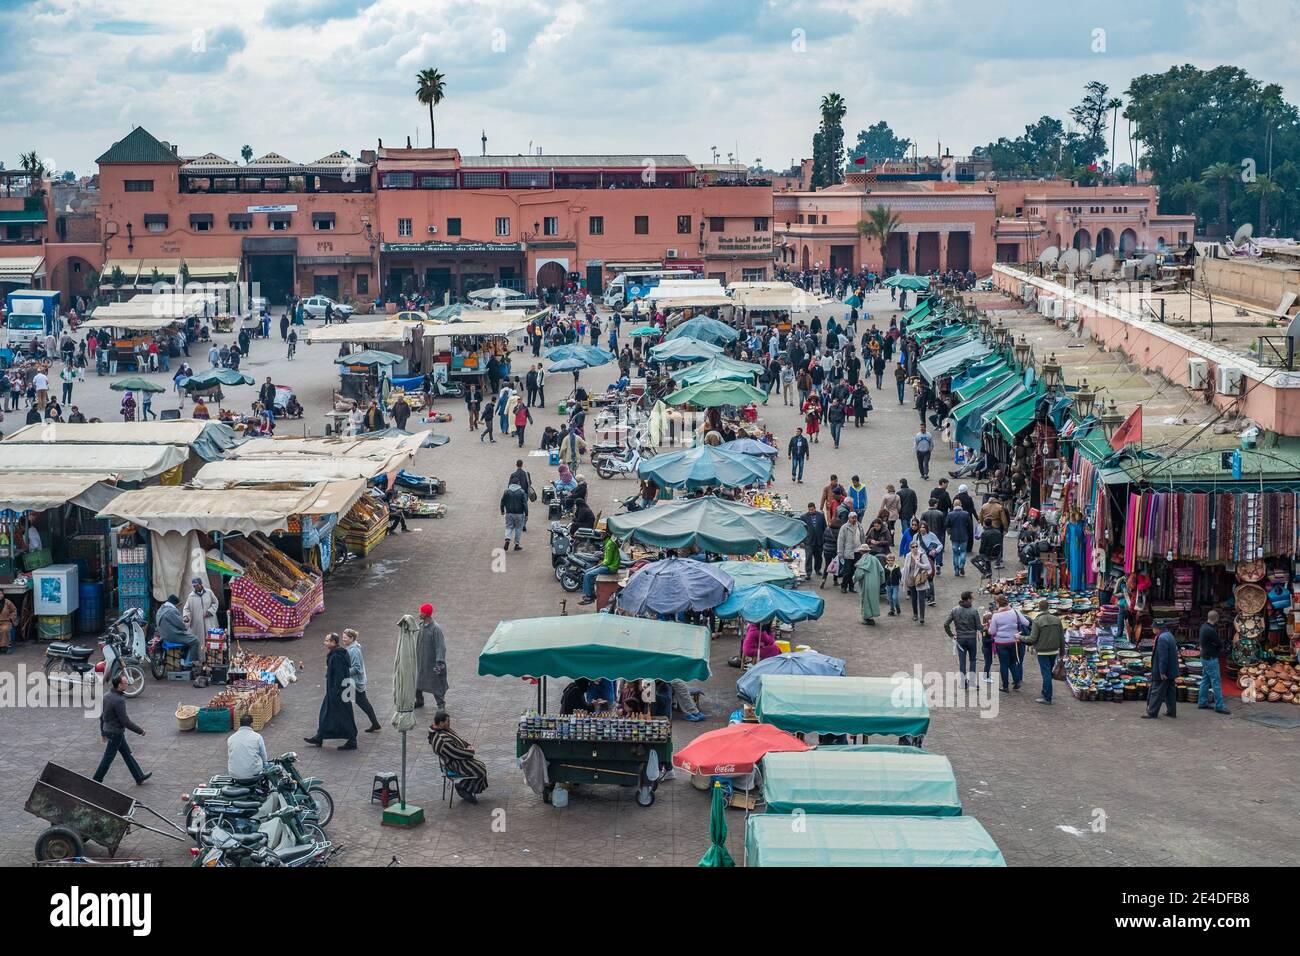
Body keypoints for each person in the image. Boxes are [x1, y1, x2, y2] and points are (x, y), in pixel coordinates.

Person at [92, 672, 151, 785]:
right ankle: (96, 781)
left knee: (126, 754)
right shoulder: (119, 700)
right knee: (108, 758)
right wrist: (140, 731)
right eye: (125, 683)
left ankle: (139, 776)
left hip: (109, 730)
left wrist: (102, 732)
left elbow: (102, 716)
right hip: (115, 733)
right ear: (119, 685)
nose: (127, 684)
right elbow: (125, 721)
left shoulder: (106, 696)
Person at [304, 632, 357, 750]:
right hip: (339, 690)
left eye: (327, 641)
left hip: (338, 692)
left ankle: (352, 739)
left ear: (333, 642)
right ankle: (320, 736)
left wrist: (335, 691)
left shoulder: (337, 656)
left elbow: (339, 675)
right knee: (326, 713)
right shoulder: (336, 654)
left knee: (344, 715)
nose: (325, 643)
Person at [428, 711, 488, 804]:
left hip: (457, 759)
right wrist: (470, 751)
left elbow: (457, 742)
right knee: (480, 769)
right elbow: (456, 752)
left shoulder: (441, 731)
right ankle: (463, 787)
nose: (449, 723)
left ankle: (466, 788)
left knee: (481, 766)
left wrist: (467, 746)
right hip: (454, 763)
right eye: (447, 721)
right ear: (441, 723)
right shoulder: (442, 740)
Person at [1024, 598, 1064, 704]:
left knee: (1046, 674)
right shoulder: (1057, 619)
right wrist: (1062, 651)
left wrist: (1021, 638)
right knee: (1048, 672)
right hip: (1054, 651)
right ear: (1049, 607)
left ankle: (1047, 697)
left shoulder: (1037, 621)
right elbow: (1061, 637)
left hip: (1043, 651)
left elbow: (1032, 639)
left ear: (1039, 608)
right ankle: (1044, 691)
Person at [342, 628, 382, 733]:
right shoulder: (352, 648)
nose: (343, 640)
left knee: (352, 703)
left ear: (351, 638)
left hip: (355, 683)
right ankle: (375, 723)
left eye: (345, 638)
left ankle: (373, 723)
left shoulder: (353, 650)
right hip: (354, 682)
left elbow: (356, 668)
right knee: (361, 703)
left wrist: (343, 672)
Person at [987, 595, 1028, 693]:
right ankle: (1017, 681)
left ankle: (1005, 686)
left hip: (1001, 643)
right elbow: (1026, 623)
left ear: (998, 603)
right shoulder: (1015, 612)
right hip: (1014, 641)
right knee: (1013, 662)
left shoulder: (996, 616)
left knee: (1004, 664)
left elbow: (992, 632)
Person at [944, 591, 982, 688]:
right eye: (972, 598)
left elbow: (946, 624)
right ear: (968, 599)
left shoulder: (955, 610)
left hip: (960, 639)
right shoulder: (974, 611)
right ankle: (972, 681)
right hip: (972, 639)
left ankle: (963, 682)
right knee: (973, 660)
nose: (973, 599)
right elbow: (979, 627)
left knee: (962, 661)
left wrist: (951, 635)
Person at [414, 603, 449, 709]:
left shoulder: (436, 629)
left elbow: (440, 647)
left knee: (436, 684)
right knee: (418, 681)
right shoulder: (421, 625)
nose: (419, 613)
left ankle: (440, 704)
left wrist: (439, 662)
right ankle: (419, 700)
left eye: (421, 612)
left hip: (433, 662)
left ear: (426, 613)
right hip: (422, 661)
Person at [155, 594, 201, 670]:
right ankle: (189, 663)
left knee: (188, 640)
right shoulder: (171, 611)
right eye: (177, 605)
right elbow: (181, 626)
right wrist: (185, 622)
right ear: (175, 604)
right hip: (173, 635)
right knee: (195, 640)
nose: (177, 607)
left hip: (164, 635)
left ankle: (183, 660)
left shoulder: (161, 609)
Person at [1198, 610, 1230, 714]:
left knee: (1205, 680)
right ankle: (1219, 706)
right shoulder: (1210, 630)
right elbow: (1219, 643)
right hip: (1210, 658)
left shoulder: (1203, 627)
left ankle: (1202, 702)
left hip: (1204, 656)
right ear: (1216, 618)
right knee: (1216, 681)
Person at [1143, 628, 1180, 719]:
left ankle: (1152, 712)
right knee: (1170, 692)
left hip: (1164, 671)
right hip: (1171, 670)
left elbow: (1163, 657)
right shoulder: (1169, 635)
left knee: (1156, 691)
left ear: (1157, 628)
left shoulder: (1162, 638)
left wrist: (1162, 672)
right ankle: (1171, 711)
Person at [579, 530, 622, 605]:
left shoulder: (610, 544)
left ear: (606, 535)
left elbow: (607, 562)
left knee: (588, 575)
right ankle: (591, 594)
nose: (600, 535)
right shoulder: (608, 543)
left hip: (610, 568)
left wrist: (598, 565)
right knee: (587, 572)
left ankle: (589, 596)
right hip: (608, 566)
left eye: (602, 534)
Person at [182, 577, 218, 665]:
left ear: (201, 584)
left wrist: (210, 611)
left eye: (197, 585)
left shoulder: (209, 593)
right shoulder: (191, 596)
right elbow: (186, 609)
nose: (195, 587)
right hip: (197, 624)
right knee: (200, 641)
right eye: (194, 586)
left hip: (209, 621)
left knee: (211, 640)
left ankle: (212, 660)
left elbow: (215, 602)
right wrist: (186, 616)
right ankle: (201, 660)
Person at [227, 714, 270, 781]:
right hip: (253, 775)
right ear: (251, 724)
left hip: (234, 775)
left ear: (240, 724)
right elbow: (264, 756)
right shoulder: (257, 737)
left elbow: (231, 756)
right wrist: (266, 765)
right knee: (270, 766)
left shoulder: (230, 738)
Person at [901, 539, 933, 624]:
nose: (915, 548)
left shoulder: (922, 555)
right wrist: (903, 579)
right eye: (913, 547)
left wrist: (918, 564)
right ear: (910, 548)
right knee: (914, 598)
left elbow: (928, 566)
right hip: (911, 579)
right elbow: (906, 568)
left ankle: (922, 617)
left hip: (920, 580)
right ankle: (915, 614)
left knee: (921, 598)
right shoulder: (908, 556)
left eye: (916, 546)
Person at [851, 548, 884, 626]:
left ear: (861, 552)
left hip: (866, 583)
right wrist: (880, 582)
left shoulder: (862, 561)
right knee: (873, 600)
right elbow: (881, 571)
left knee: (866, 600)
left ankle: (867, 618)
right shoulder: (875, 559)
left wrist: (854, 579)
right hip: (875, 583)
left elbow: (859, 574)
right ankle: (872, 616)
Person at [836, 512, 865, 593]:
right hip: (848, 552)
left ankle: (851, 586)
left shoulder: (860, 526)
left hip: (858, 552)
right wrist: (840, 552)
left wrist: (863, 549)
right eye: (852, 518)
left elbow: (863, 537)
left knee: (854, 571)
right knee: (847, 571)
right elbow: (840, 540)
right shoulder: (844, 527)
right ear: (849, 518)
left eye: (855, 518)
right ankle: (844, 586)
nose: (854, 519)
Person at [945, 502, 974, 576]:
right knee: (963, 551)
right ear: (961, 505)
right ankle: (961, 565)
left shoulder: (950, 514)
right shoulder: (966, 514)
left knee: (955, 553)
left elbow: (947, 524)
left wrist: (950, 530)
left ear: (954, 505)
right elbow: (970, 525)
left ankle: (956, 569)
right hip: (964, 535)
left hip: (954, 536)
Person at [799, 502, 827, 578]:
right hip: (809, 541)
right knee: (808, 557)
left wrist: (825, 539)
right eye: (809, 510)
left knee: (818, 557)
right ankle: (808, 573)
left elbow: (825, 527)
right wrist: (802, 541)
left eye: (812, 509)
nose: (810, 511)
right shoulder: (803, 517)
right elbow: (801, 530)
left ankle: (817, 569)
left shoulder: (821, 515)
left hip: (819, 540)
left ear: (815, 508)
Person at [501, 478, 527, 551]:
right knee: (518, 529)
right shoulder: (522, 492)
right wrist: (527, 514)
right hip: (519, 513)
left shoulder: (506, 492)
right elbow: (525, 504)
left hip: (509, 512)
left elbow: (502, 502)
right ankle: (516, 545)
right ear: (518, 483)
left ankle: (507, 539)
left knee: (508, 527)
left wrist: (502, 510)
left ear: (511, 484)